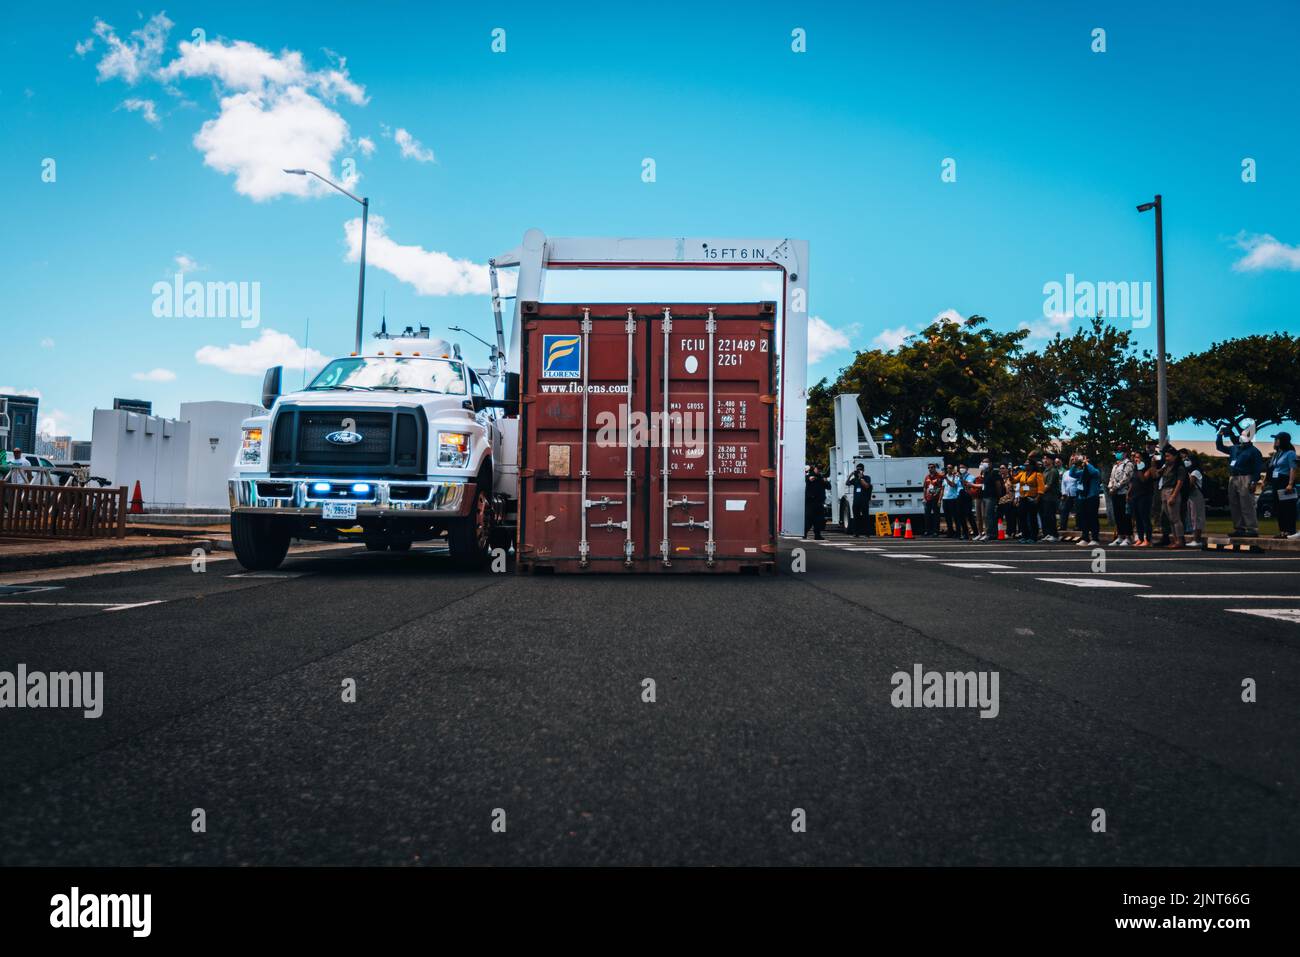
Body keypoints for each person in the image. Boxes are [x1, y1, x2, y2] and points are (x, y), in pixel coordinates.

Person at [1216, 426, 1265, 537]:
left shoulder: (1254, 451)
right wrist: (1219, 435)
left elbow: (1257, 468)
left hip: (1246, 477)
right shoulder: (1235, 448)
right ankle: (1239, 528)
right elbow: (1220, 447)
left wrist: (1253, 482)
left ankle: (1252, 528)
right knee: (1234, 504)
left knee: (1247, 504)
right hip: (1233, 477)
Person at [1267, 432, 1298, 539]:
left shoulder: (1290, 453)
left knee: (1287, 507)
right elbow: (1271, 468)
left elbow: (1292, 468)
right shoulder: (1277, 454)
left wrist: (1290, 483)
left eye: (1277, 439)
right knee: (1278, 507)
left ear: (1283, 440)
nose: (1275, 441)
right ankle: (1282, 531)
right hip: (1276, 481)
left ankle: (1290, 531)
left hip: (1285, 481)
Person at [1069, 453, 1102, 546]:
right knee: (1083, 518)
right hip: (1082, 497)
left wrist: (1086, 462)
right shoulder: (1081, 472)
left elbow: (1094, 472)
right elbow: (1072, 474)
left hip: (1092, 497)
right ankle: (1085, 538)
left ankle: (1095, 538)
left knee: (1093, 518)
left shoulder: (1095, 471)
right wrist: (1075, 464)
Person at [1158, 445, 1188, 548]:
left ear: (1175, 456)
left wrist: (1174, 496)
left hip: (1172, 490)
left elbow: (1180, 482)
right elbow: (1157, 474)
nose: (1166, 458)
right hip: (1164, 490)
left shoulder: (1179, 467)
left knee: (1175, 518)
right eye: (1165, 456)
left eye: (1168, 456)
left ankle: (1180, 540)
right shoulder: (1166, 466)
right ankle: (1175, 540)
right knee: (1170, 518)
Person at [1107, 448, 1134, 546]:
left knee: (1125, 516)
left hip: (1124, 492)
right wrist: (1110, 487)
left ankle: (1128, 537)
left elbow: (1126, 478)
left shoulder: (1128, 464)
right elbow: (1111, 477)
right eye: (1116, 451)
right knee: (1117, 515)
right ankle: (1120, 536)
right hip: (1115, 493)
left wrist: (1116, 487)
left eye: (1119, 452)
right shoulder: (1115, 465)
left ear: (1125, 453)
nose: (1117, 454)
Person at [1128, 447, 1155, 547]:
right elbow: (1133, 482)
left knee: (1145, 518)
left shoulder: (1148, 468)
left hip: (1145, 495)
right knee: (1137, 518)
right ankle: (1140, 538)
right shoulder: (1135, 468)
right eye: (1135, 457)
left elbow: (1143, 479)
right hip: (1135, 495)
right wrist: (1129, 493)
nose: (1136, 459)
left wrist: (1140, 467)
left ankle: (1148, 539)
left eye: (1138, 457)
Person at [1013, 460, 1044, 543]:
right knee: (1022, 517)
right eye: (1025, 464)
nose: (1025, 466)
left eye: (1027, 465)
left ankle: (1033, 536)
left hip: (1032, 498)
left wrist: (1037, 498)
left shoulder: (1037, 474)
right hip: (1023, 497)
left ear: (1032, 466)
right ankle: (1025, 536)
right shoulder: (1022, 474)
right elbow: (1014, 480)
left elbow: (1041, 488)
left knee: (1032, 518)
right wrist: (1010, 474)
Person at [1182, 449, 1207, 545]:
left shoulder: (1195, 472)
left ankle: (1197, 539)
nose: (1185, 461)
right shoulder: (1189, 471)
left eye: (1187, 459)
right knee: (1192, 517)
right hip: (1191, 496)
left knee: (1196, 517)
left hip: (1196, 495)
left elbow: (1190, 484)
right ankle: (1194, 538)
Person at [1039, 454, 1062, 542]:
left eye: (1047, 459)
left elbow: (1048, 485)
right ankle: (1048, 534)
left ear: (1052, 461)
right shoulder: (1045, 471)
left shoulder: (1053, 471)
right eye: (1043, 458)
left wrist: (1039, 492)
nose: (1044, 460)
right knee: (1045, 516)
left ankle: (1054, 535)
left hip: (1050, 497)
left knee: (1050, 516)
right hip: (1044, 497)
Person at [803, 465, 829, 540]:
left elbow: (828, 486)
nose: (819, 471)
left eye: (820, 469)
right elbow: (807, 479)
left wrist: (825, 481)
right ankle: (804, 533)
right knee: (809, 519)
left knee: (819, 520)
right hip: (811, 502)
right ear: (815, 469)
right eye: (818, 469)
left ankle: (817, 535)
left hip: (819, 502)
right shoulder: (810, 475)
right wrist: (810, 478)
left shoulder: (821, 477)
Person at [850, 464, 874, 537]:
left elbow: (866, 486)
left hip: (864, 501)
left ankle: (867, 533)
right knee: (856, 517)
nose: (859, 471)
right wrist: (850, 475)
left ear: (863, 470)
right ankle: (856, 533)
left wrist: (861, 478)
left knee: (865, 517)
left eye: (860, 470)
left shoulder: (866, 478)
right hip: (856, 501)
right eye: (858, 470)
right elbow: (847, 483)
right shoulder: (855, 479)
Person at [922, 463, 943, 536]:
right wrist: (924, 498)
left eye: (931, 467)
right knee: (927, 515)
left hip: (936, 498)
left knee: (936, 515)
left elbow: (941, 488)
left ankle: (936, 531)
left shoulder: (939, 476)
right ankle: (927, 531)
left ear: (934, 468)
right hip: (928, 498)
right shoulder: (927, 477)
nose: (930, 469)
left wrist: (939, 499)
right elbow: (925, 487)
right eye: (929, 468)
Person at [972, 458, 990, 539]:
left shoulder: (989, 475)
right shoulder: (978, 477)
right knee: (978, 516)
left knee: (984, 516)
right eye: (981, 463)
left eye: (984, 463)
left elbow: (984, 486)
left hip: (985, 497)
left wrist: (972, 485)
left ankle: (986, 533)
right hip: (977, 497)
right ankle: (980, 533)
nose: (982, 465)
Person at [1058, 461, 1077, 533]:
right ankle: (1063, 526)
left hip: (1075, 494)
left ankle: (1078, 526)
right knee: (1064, 510)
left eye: (1073, 462)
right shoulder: (1065, 473)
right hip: (1067, 495)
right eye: (1071, 462)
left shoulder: (1078, 472)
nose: (1072, 464)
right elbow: (1063, 483)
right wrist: (1063, 493)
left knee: (1077, 512)